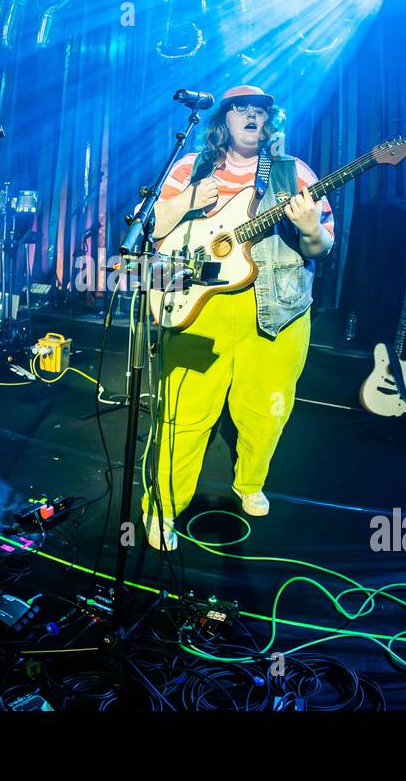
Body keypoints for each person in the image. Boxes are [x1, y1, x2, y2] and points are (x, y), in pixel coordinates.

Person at [142, 85, 334, 551]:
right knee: (183, 417)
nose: (251, 117)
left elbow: (321, 246)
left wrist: (310, 228)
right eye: (241, 110)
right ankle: (163, 508)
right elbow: (151, 228)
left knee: (266, 413)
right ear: (223, 120)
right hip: (198, 309)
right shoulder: (191, 166)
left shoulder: (294, 173)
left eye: (259, 111)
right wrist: (186, 201)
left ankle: (249, 482)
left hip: (278, 311)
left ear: (270, 121)